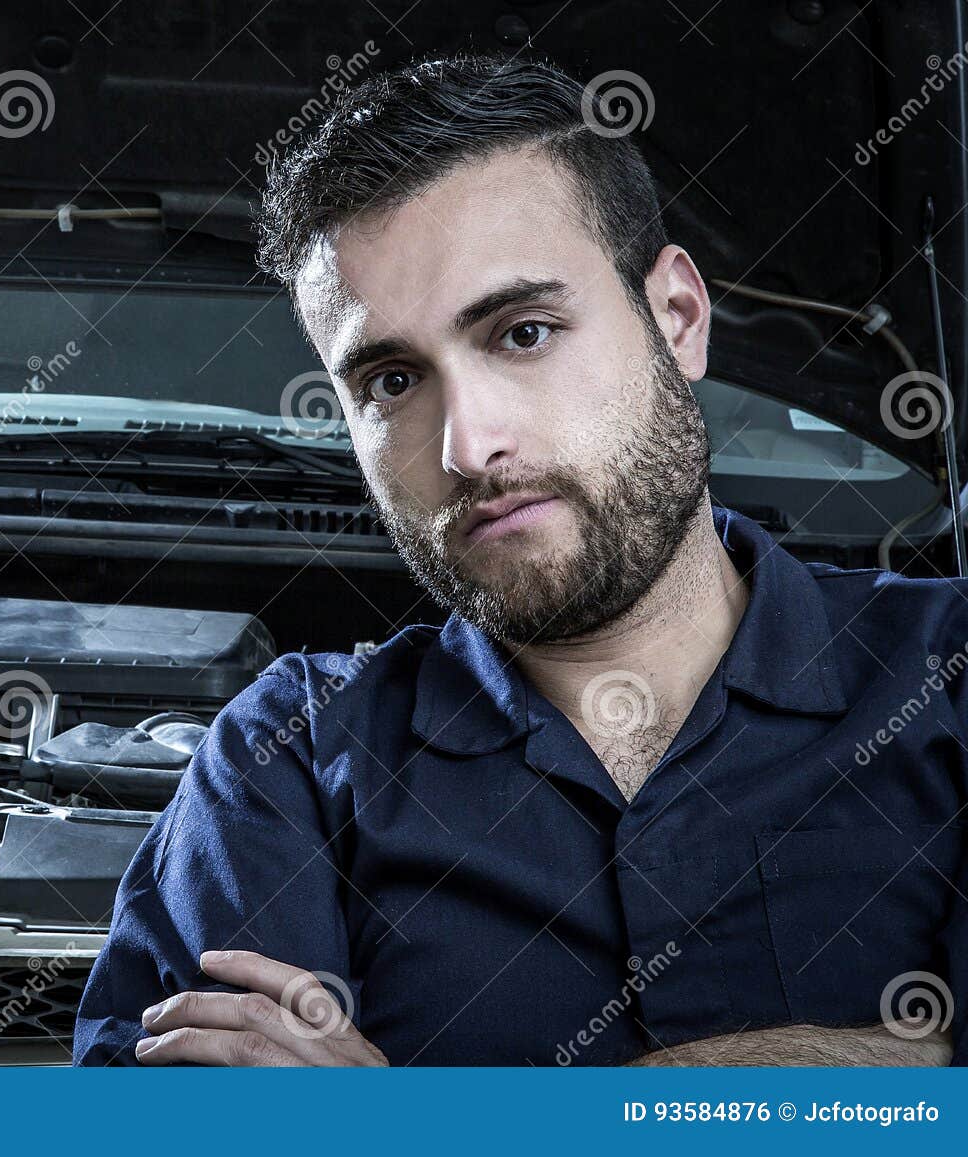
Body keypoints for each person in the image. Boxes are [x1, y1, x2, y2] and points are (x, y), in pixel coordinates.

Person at [71, 53, 967, 1066]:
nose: (467, 446)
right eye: (392, 380)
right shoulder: (289, 762)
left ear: (677, 318)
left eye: (524, 332)